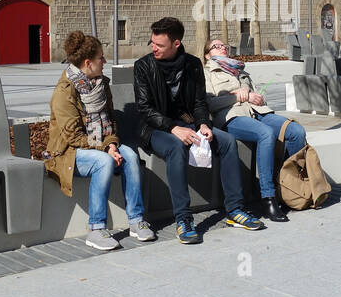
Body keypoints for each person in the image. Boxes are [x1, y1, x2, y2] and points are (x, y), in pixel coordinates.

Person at [133, 17, 263, 245]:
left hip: (189, 123)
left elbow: (199, 103)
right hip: (155, 129)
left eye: (159, 45)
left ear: (176, 43)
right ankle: (183, 219)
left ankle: (235, 209)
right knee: (176, 147)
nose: (154, 48)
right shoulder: (143, 66)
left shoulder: (192, 65)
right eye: (152, 43)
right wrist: (173, 128)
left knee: (226, 141)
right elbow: (145, 110)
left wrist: (204, 123)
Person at [45, 31, 153, 251]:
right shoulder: (64, 93)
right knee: (103, 161)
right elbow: (72, 137)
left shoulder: (101, 84)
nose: (104, 62)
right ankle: (96, 229)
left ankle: (136, 219)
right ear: (88, 63)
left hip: (101, 143)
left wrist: (111, 144)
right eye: (101, 58)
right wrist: (106, 148)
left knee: (130, 155)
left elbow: (111, 121)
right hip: (68, 152)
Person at [203, 38, 306, 223]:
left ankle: (286, 186)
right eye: (215, 46)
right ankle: (268, 198)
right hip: (232, 116)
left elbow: (258, 96)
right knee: (266, 133)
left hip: (257, 111)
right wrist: (235, 98)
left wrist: (257, 98)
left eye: (223, 45)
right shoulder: (207, 72)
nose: (222, 48)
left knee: (296, 131)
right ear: (207, 54)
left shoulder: (240, 70)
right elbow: (209, 103)